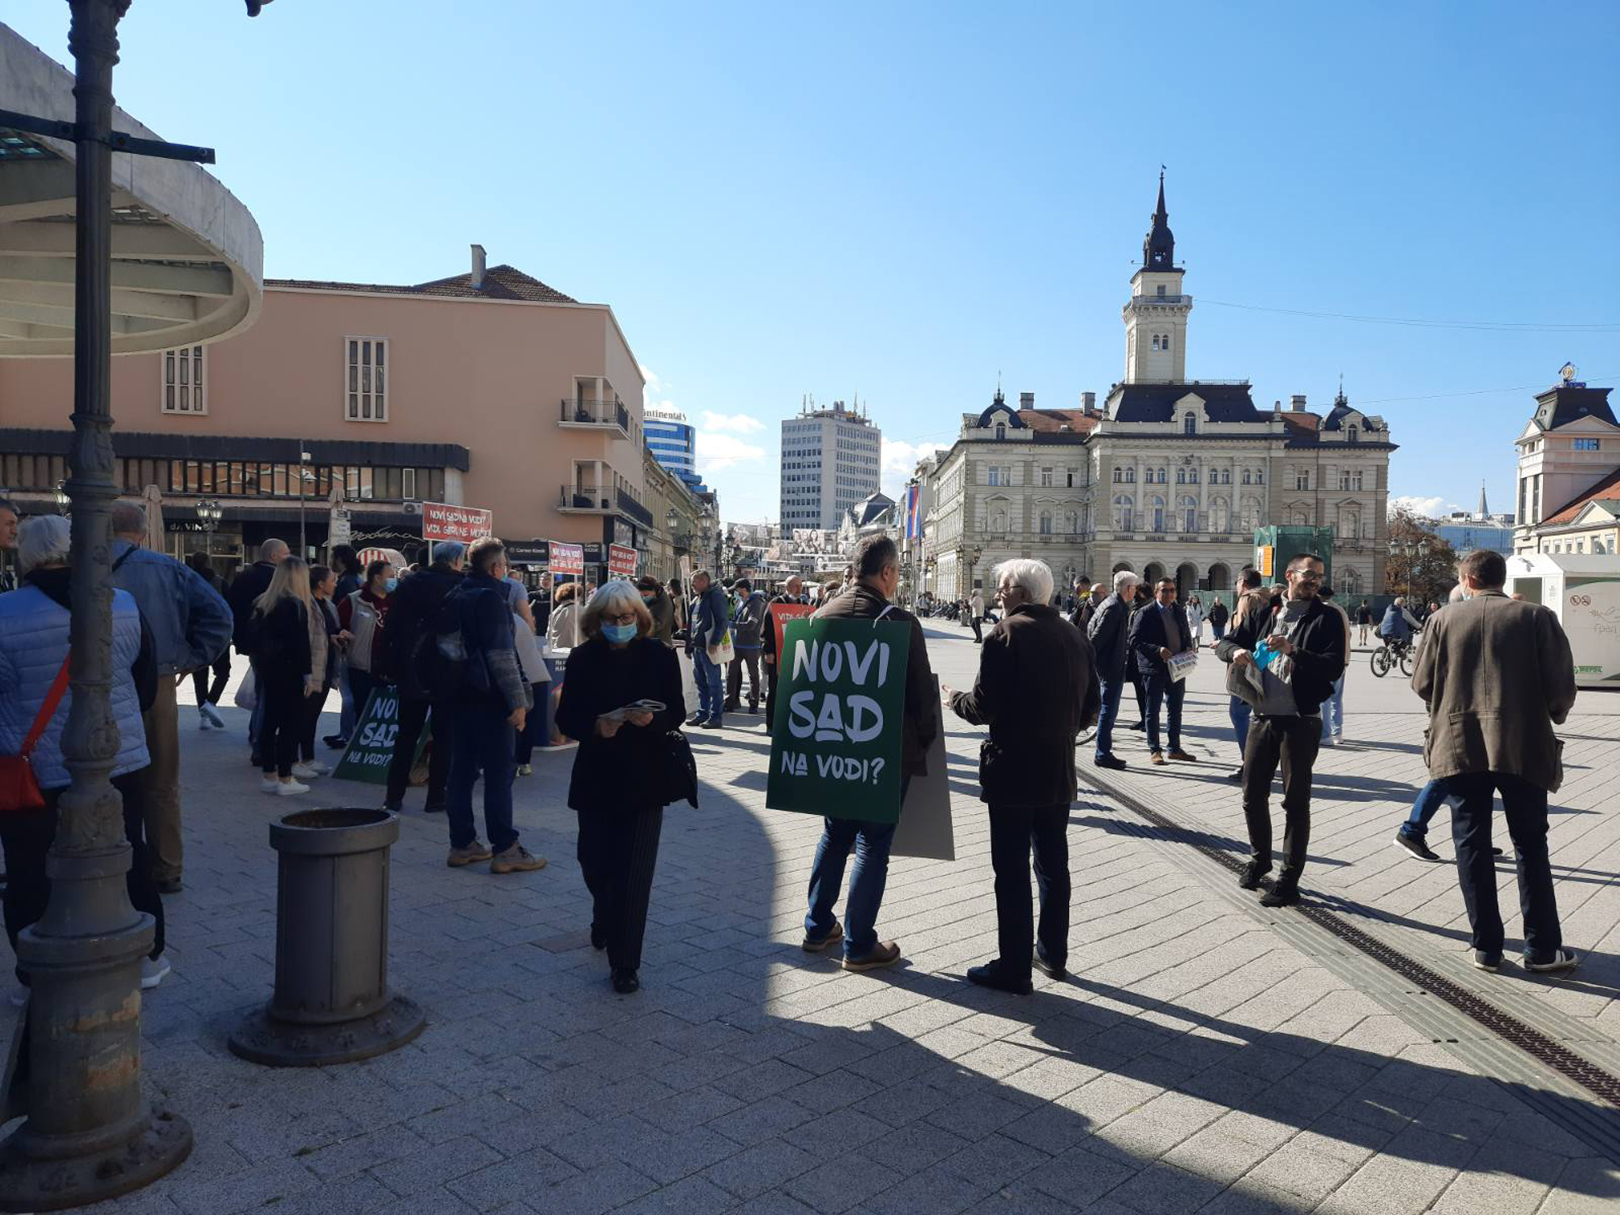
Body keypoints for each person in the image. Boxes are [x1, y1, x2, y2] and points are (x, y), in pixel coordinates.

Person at [0, 516, 170, 997]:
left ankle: (35, 969)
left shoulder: (4, 612)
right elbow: (143, 683)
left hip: (31, 767)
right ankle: (148, 955)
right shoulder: (122, 603)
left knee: (29, 865)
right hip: (119, 755)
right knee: (126, 852)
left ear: (27, 556)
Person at [1411, 549, 1579, 973]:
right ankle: (1542, 949)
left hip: (1460, 743)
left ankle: (1486, 946)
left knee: (1470, 843)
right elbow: (1561, 688)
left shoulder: (1442, 620)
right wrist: (1550, 713)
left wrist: (1449, 705)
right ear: (1502, 580)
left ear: (1466, 581)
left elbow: (1422, 683)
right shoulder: (1537, 618)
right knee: (1529, 844)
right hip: (1523, 743)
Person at [946, 559, 1098, 994]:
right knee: (1053, 865)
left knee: (1011, 870)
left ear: (1024, 593)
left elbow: (982, 708)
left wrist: (953, 698)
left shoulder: (1005, 634)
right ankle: (1052, 953)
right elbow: (1092, 709)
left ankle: (1014, 968)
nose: (998, 593)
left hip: (1012, 769)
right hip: (1058, 768)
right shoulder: (1075, 636)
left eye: (1003, 586)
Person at [801, 535, 938, 972]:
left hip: (832, 748)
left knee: (834, 833)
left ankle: (818, 926)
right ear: (886, 573)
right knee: (872, 844)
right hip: (883, 753)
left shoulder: (821, 616)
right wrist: (925, 744)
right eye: (896, 572)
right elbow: (921, 699)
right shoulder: (899, 621)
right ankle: (859, 944)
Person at [554, 580, 686, 994]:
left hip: (646, 779)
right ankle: (603, 913)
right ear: (597, 621)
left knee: (634, 875)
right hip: (596, 774)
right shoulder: (582, 658)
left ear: (640, 618)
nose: (619, 625)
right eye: (611, 619)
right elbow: (566, 718)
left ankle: (625, 963)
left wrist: (654, 721)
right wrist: (596, 724)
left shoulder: (659, 656)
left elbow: (677, 712)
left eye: (627, 618)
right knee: (593, 863)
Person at [110, 502, 233, 894]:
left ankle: (111, 862)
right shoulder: (167, 568)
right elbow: (220, 617)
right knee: (161, 780)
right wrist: (190, 658)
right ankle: (167, 867)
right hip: (158, 681)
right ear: (143, 532)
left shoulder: (81, 564)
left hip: (95, 681)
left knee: (102, 774)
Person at [1217, 553, 1345, 908]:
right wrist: (1237, 651)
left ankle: (1289, 880)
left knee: (1295, 801)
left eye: (1319, 576)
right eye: (1308, 575)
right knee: (1251, 794)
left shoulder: (1327, 617)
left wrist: (1293, 650)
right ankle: (1260, 860)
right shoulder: (1267, 611)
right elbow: (1227, 641)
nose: (1314, 581)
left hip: (1301, 720)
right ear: (1290, 575)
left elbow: (1333, 667)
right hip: (1262, 716)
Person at [442, 539, 546, 875]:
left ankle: (463, 843)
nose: (508, 568)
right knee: (500, 774)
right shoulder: (491, 598)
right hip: (490, 699)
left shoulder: (456, 593)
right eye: (505, 563)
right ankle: (506, 847)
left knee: (461, 771)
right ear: (495, 567)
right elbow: (502, 657)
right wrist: (518, 702)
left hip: (458, 695)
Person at [383, 541, 465, 815]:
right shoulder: (461, 586)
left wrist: (390, 662)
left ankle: (393, 796)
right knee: (445, 738)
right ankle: (436, 797)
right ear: (456, 561)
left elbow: (392, 625)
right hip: (448, 669)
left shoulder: (409, 583)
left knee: (406, 734)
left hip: (413, 667)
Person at [251, 557, 322, 797]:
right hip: (291, 672)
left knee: (270, 723)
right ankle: (286, 777)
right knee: (291, 725)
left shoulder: (263, 603)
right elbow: (301, 645)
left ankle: (269, 775)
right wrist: (308, 676)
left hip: (269, 671)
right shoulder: (295, 604)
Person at [228, 538, 289, 761]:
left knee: (262, 690)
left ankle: (255, 733)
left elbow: (232, 607)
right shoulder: (276, 580)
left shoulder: (244, 576)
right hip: (271, 645)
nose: (288, 558)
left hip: (249, 641)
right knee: (267, 696)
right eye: (285, 554)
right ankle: (260, 741)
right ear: (274, 556)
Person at [1127, 579, 1198, 766]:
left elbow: (1185, 634)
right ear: (1156, 592)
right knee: (1153, 710)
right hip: (1154, 669)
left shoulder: (1178, 611)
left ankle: (1174, 748)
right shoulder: (1145, 613)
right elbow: (1134, 640)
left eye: (1173, 590)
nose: (1169, 594)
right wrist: (1157, 650)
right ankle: (1154, 749)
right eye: (1165, 591)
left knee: (1175, 709)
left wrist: (1189, 647)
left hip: (1177, 667)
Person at [1220, 569, 1271, 783]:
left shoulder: (1247, 600)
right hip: (1265, 665)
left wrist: (1228, 647)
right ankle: (1260, 761)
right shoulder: (1269, 597)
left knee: (1238, 713)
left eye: (1237, 582)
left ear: (1242, 582)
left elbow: (1242, 632)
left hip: (1247, 666)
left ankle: (1249, 762)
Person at [1086, 570, 1139, 771]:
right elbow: (1096, 640)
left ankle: (1103, 752)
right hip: (1110, 669)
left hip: (1109, 667)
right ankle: (1102, 753)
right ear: (1127, 588)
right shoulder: (1115, 608)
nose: (1136, 591)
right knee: (1108, 712)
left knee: (1107, 711)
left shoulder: (1110, 604)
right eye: (1134, 587)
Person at [296, 565, 342, 779]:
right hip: (311, 667)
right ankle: (294, 761)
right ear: (320, 584)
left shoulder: (330, 606)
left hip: (326, 667)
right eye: (332, 580)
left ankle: (308, 758)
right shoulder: (305, 604)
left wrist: (338, 635)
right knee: (302, 715)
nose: (335, 583)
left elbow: (329, 631)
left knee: (312, 716)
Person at [338, 558, 394, 723]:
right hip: (361, 667)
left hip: (388, 668)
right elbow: (338, 628)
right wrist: (343, 636)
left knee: (383, 716)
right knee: (362, 713)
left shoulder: (396, 600)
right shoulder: (354, 600)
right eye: (390, 576)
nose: (394, 580)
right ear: (377, 578)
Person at [185, 551, 233, 729]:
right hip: (218, 635)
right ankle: (210, 703)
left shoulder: (187, 583)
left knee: (199, 675)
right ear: (209, 562)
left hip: (195, 634)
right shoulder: (220, 583)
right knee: (223, 672)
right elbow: (230, 608)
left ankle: (203, 715)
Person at [326, 544, 365, 747]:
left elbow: (347, 613)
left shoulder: (346, 582)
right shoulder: (354, 579)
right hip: (352, 639)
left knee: (347, 691)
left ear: (340, 559)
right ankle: (346, 731)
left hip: (346, 641)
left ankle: (347, 733)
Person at [687, 569, 730, 728]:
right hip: (697, 647)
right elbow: (691, 625)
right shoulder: (696, 599)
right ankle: (702, 713)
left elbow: (722, 621)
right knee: (701, 683)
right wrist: (688, 647)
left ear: (704, 581)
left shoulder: (715, 596)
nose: (692, 584)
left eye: (695, 581)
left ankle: (716, 716)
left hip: (708, 646)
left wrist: (714, 642)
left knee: (714, 683)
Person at [761, 574, 804, 725]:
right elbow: (766, 629)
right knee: (775, 689)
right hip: (777, 654)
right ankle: (771, 723)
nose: (799, 589)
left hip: (796, 655)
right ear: (786, 588)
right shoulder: (776, 603)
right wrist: (769, 651)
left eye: (800, 586)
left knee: (794, 689)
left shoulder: (803, 604)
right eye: (795, 586)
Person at [725, 578, 766, 714]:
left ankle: (753, 703)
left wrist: (731, 625)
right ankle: (729, 702)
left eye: (737, 589)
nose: (736, 592)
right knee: (731, 674)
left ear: (743, 589)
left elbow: (751, 625)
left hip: (751, 645)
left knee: (753, 675)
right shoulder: (740, 602)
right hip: (737, 643)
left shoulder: (756, 603)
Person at [1317, 585, 1351, 745]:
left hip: (1326, 659)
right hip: (1342, 658)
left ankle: (1325, 734)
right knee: (1337, 697)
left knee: (1324, 697)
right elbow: (1349, 634)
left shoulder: (1323, 611)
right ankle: (1338, 733)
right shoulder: (1340, 610)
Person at [638, 575, 675, 645]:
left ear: (654, 590)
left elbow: (658, 624)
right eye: (641, 595)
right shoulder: (654, 599)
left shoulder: (664, 602)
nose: (643, 598)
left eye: (646, 595)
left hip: (660, 642)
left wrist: (639, 628)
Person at [546, 581, 582, 650]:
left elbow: (548, 635)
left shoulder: (555, 612)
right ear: (577, 596)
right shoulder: (582, 610)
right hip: (577, 650)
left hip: (558, 650)